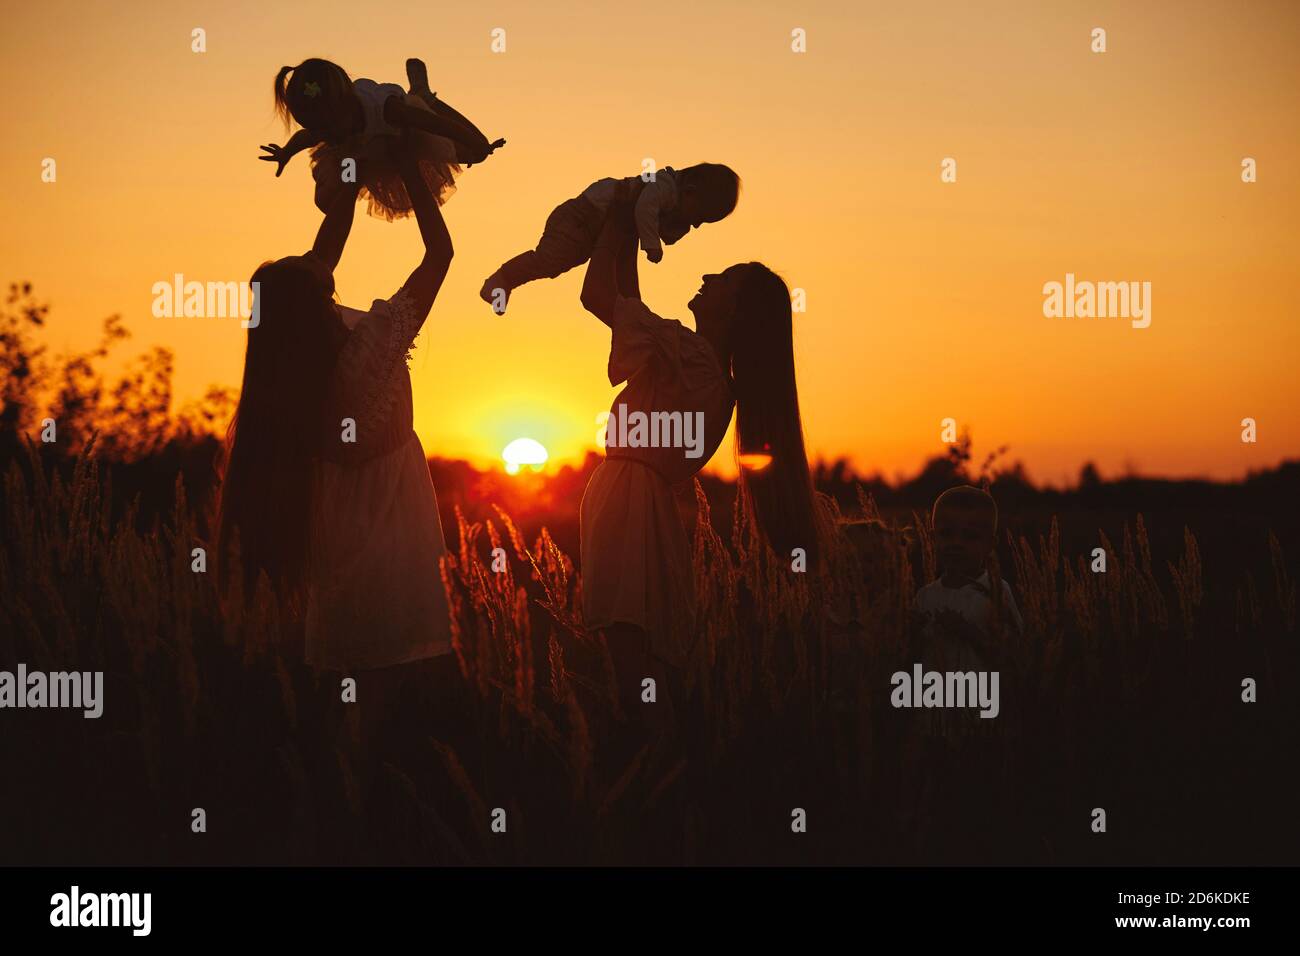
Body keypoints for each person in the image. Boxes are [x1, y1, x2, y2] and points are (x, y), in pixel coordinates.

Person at [576, 181, 815, 730]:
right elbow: (631, 308)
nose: (707, 277)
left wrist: (617, 216)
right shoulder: (704, 371)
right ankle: (655, 760)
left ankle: (643, 764)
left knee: (628, 657)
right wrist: (633, 229)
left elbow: (597, 297)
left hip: (626, 500)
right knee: (642, 658)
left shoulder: (688, 354)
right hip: (639, 501)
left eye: (723, 279)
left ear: (736, 311)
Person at [260, 57, 504, 220]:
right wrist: (285, 153)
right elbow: (305, 138)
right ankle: (353, 170)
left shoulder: (387, 109)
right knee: (325, 201)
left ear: (343, 107)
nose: (326, 136)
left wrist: (473, 141)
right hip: (364, 151)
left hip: (404, 134)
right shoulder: (327, 125)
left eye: (330, 128)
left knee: (477, 154)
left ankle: (425, 95)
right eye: (321, 130)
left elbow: (436, 124)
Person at [481, 163, 740, 313]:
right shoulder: (664, 187)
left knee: (569, 267)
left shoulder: (672, 195)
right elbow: (644, 209)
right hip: (583, 215)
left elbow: (662, 226)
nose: (696, 224)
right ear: (691, 190)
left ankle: (631, 316)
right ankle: (502, 280)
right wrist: (652, 245)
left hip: (593, 226)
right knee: (550, 261)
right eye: (701, 216)